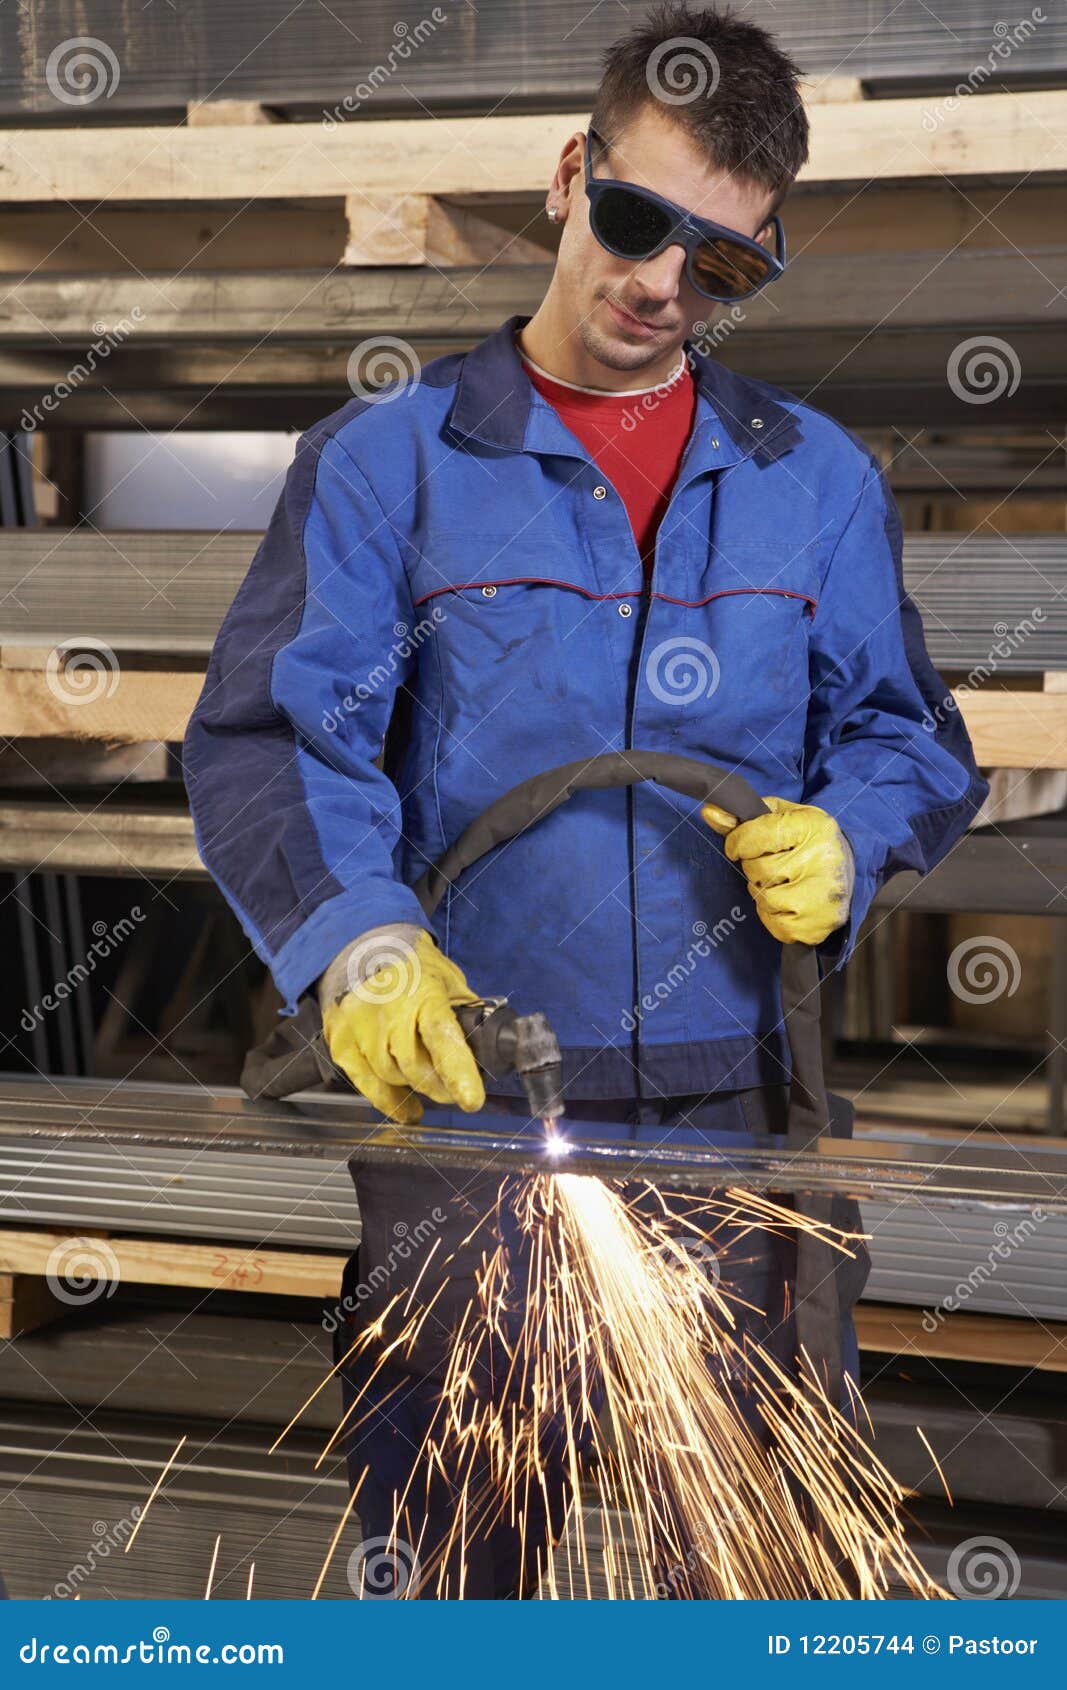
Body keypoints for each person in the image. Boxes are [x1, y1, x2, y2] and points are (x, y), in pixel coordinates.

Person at [185, 3, 986, 1597]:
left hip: (739, 1122)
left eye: (724, 265)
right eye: (637, 222)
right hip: (471, 1105)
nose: (663, 285)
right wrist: (357, 944)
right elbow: (274, 742)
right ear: (571, 175)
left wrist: (858, 829)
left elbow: (909, 736)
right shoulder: (386, 465)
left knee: (757, 1560)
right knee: (458, 1559)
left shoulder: (810, 478)